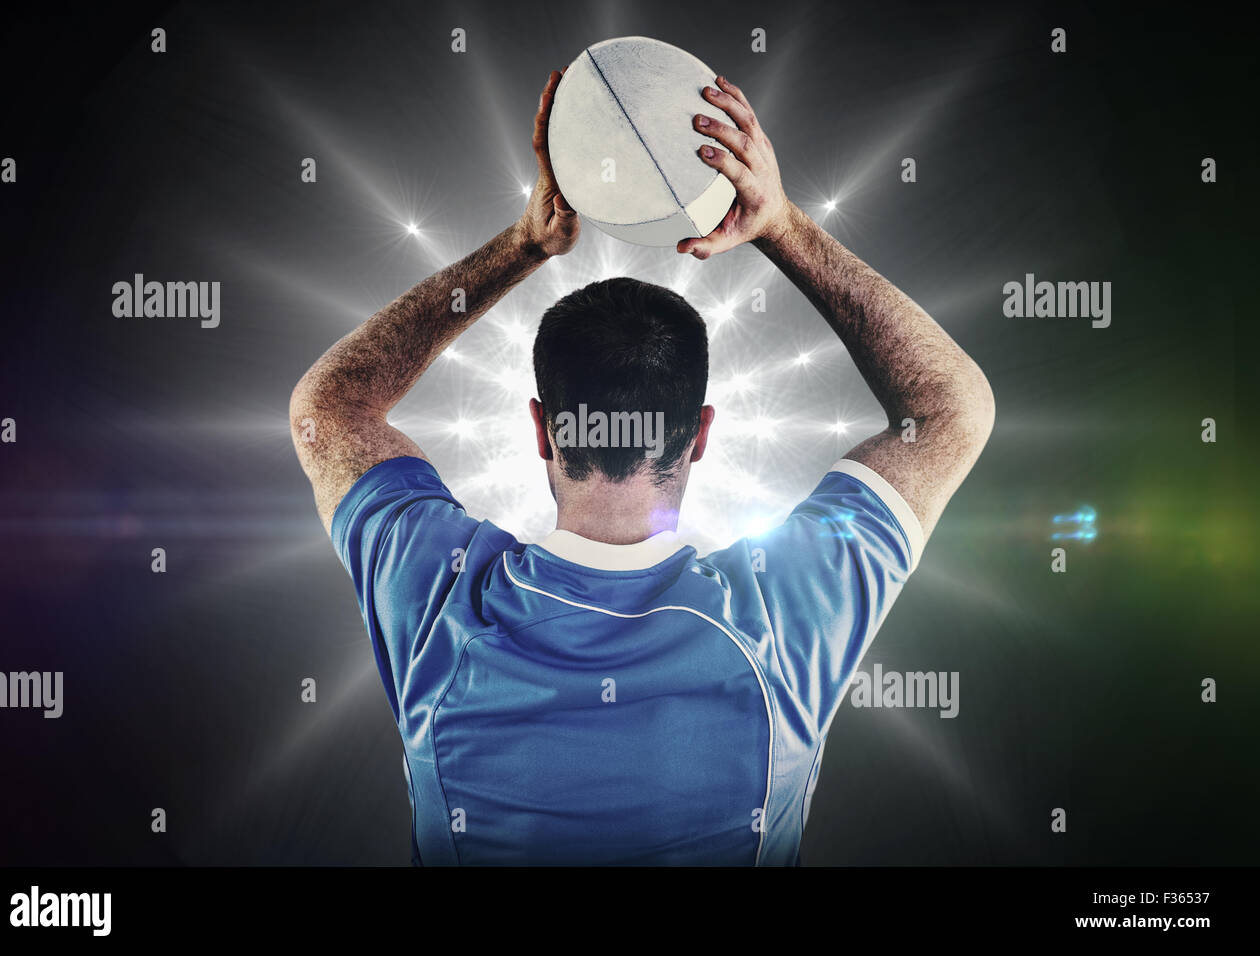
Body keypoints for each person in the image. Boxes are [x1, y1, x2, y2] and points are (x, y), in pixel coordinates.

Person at [289, 69, 994, 865]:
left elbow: (330, 413)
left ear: (542, 430)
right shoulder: (784, 621)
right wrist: (781, 225)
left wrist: (522, 245)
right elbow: (952, 410)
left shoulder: (441, 602)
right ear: (699, 434)